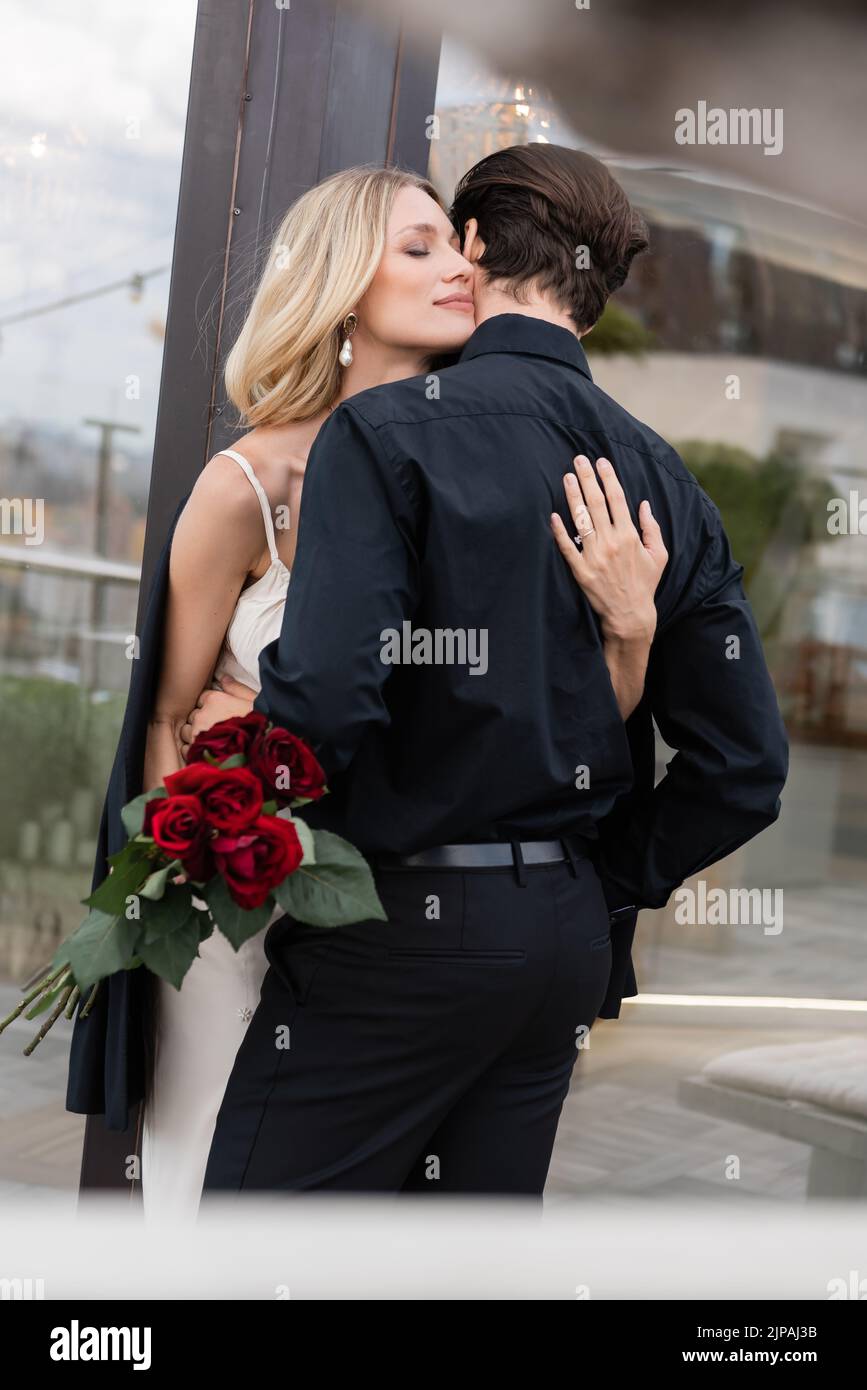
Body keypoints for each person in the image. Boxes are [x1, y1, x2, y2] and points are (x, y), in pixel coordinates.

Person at [64, 163, 662, 1217]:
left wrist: (634, 629)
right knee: (220, 1203)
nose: (460, 269)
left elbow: (538, 719)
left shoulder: (481, 479)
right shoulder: (245, 484)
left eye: (458, 246)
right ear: (343, 287)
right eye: (420, 247)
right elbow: (164, 713)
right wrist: (213, 878)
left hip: (398, 939)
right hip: (242, 915)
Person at [198, 145, 788, 1200]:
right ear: (596, 295)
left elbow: (330, 702)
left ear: (475, 250)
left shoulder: (383, 435)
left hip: (398, 937)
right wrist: (593, 881)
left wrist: (246, 733)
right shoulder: (666, 479)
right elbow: (746, 765)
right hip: (560, 945)